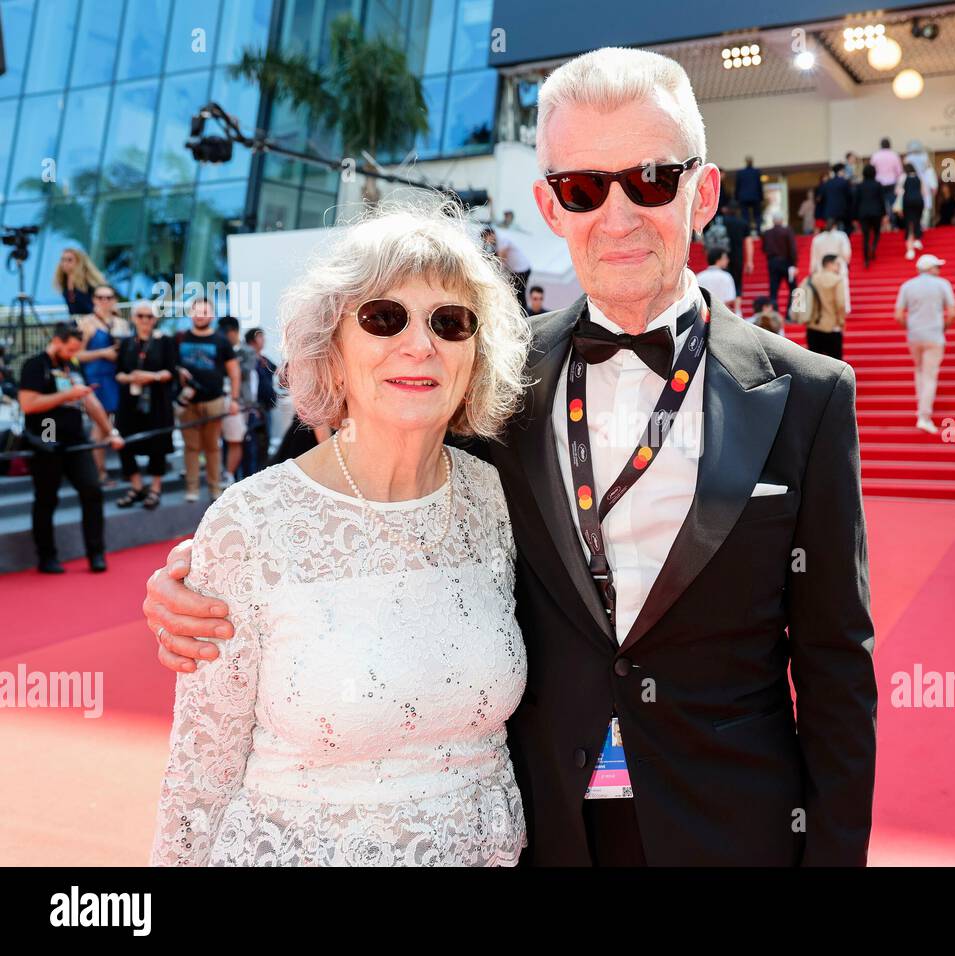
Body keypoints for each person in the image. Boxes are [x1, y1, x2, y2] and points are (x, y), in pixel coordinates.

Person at [147, 46, 876, 867]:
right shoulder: (486, 378)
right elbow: (372, 503)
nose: (618, 213)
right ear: (550, 205)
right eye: (582, 187)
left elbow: (837, 665)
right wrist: (196, 575)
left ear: (701, 193)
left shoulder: (810, 394)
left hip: (729, 826)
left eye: (650, 179)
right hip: (540, 828)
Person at [144, 201, 533, 867]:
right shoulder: (250, 526)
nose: (421, 344)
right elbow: (199, 778)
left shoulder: (499, 500)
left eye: (451, 321)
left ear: (475, 353)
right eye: (385, 318)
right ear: (333, 346)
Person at [18, 323, 124, 574]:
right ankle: (47, 556)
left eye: (76, 350)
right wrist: (66, 396)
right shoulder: (36, 365)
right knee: (46, 498)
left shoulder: (73, 365)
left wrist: (111, 432)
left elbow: (90, 400)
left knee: (92, 490)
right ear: (57, 340)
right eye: (70, 349)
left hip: (76, 438)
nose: (72, 354)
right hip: (47, 434)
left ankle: (96, 553)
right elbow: (29, 404)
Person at [113, 301, 177, 511]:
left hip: (157, 401)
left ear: (155, 319)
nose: (144, 320)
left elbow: (171, 371)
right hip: (130, 402)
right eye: (140, 316)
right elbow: (119, 373)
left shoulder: (165, 341)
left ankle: (155, 488)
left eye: (149, 316)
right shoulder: (126, 343)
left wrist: (151, 377)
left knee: (157, 443)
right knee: (125, 442)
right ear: (133, 318)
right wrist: (132, 377)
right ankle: (136, 486)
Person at [175, 297, 240, 502]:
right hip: (187, 403)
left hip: (214, 401)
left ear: (211, 315)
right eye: (196, 311)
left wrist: (235, 399)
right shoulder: (180, 338)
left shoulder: (221, 341)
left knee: (212, 446)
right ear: (190, 314)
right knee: (191, 447)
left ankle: (214, 489)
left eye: (204, 312)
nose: (200, 316)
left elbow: (234, 372)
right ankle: (192, 489)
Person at [895, 254, 955, 434]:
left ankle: (922, 407)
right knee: (929, 375)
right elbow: (952, 313)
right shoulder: (942, 284)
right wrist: (943, 327)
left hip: (915, 335)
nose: (939, 269)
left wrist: (910, 327)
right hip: (934, 334)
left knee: (920, 370)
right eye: (937, 266)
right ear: (930, 268)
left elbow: (898, 315)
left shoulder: (907, 286)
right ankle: (924, 416)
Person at [78, 285, 122, 485]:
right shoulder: (86, 323)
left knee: (108, 425)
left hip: (115, 377)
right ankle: (98, 472)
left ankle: (99, 471)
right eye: (100, 297)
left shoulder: (120, 323)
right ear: (94, 299)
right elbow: (77, 354)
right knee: (100, 424)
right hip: (97, 378)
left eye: (108, 297)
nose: (104, 301)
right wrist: (103, 353)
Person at [241, 327, 279, 477]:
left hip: (266, 408)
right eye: (260, 337)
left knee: (264, 444)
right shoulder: (246, 358)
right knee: (252, 447)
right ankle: (250, 477)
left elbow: (279, 371)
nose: (263, 340)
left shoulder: (264, 359)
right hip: (253, 409)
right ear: (252, 339)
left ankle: (260, 475)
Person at [217, 317, 249, 485]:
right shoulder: (218, 349)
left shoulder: (246, 351)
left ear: (233, 332)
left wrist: (230, 364)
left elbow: (243, 373)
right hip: (217, 398)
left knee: (237, 439)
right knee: (218, 440)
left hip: (240, 402)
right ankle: (223, 474)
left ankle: (230, 474)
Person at [806, 254, 847, 359]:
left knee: (815, 364)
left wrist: (802, 316)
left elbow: (798, 296)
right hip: (832, 327)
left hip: (812, 326)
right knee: (836, 365)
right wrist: (841, 321)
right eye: (837, 264)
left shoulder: (810, 279)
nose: (838, 267)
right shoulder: (837, 280)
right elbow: (841, 303)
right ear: (829, 264)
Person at [483, 225, 533, 309]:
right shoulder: (495, 243)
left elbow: (502, 258)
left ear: (490, 234)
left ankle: (523, 312)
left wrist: (498, 273)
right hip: (514, 271)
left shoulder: (502, 239)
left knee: (519, 293)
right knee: (513, 293)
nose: (487, 242)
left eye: (486, 238)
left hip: (521, 269)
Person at [810, 218, 851, 312]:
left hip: (822, 269)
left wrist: (812, 271)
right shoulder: (842, 236)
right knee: (841, 290)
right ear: (835, 226)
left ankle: (825, 309)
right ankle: (844, 309)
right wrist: (845, 262)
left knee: (824, 291)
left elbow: (814, 258)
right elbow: (846, 254)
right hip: (838, 268)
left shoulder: (817, 239)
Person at [51, 247, 107, 317]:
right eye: (63, 260)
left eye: (69, 260)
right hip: (77, 323)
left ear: (79, 262)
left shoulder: (89, 281)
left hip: (94, 321)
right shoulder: (63, 282)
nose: (65, 263)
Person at [760, 213, 798, 315]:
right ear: (782, 220)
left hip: (772, 262)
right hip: (786, 262)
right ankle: (790, 314)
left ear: (773, 221)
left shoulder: (767, 233)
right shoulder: (787, 231)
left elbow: (763, 248)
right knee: (794, 288)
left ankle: (774, 314)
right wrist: (794, 264)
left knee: (773, 290)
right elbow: (792, 249)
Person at [853, 164, 886, 265]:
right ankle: (874, 246)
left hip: (863, 213)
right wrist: (884, 213)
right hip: (876, 212)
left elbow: (856, 201)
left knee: (865, 236)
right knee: (876, 233)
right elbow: (882, 200)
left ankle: (866, 260)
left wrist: (855, 215)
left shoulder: (859, 186)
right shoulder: (878, 184)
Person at [870, 137, 904, 228]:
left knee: (879, 203)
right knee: (893, 204)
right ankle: (893, 223)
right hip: (891, 182)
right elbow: (899, 171)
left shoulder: (875, 155)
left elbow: (871, 170)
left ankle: (881, 225)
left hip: (879, 182)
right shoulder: (894, 155)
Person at [696, 247, 739, 315]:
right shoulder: (726, 276)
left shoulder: (699, 276)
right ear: (719, 259)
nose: (727, 261)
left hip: (703, 314)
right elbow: (730, 300)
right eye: (725, 258)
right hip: (722, 314)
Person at [898, 163, 925, 260]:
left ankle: (910, 249)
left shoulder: (903, 177)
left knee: (909, 224)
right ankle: (918, 239)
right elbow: (923, 192)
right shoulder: (919, 177)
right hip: (919, 201)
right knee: (917, 220)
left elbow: (899, 192)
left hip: (907, 202)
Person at [734, 156, 764, 232]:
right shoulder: (756, 172)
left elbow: (737, 186)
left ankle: (746, 232)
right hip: (755, 197)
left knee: (745, 216)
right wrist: (761, 198)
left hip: (743, 198)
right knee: (757, 215)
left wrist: (736, 198)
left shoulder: (741, 173)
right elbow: (759, 186)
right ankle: (758, 231)